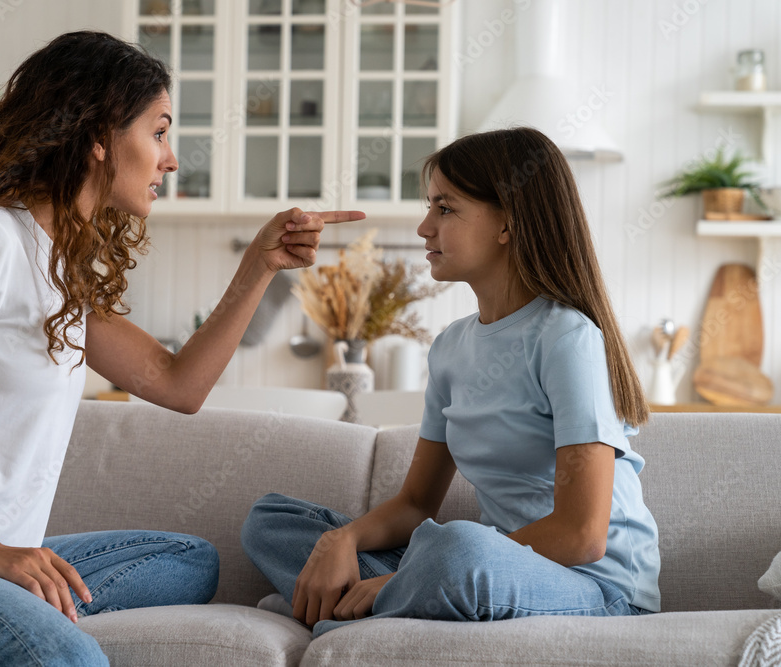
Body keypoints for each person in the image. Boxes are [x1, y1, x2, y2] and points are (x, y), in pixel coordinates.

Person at [0, 31, 363, 666]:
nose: (171, 158)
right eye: (158, 132)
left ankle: (5, 599)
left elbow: (178, 386)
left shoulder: (57, 268)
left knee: (190, 562)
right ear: (99, 137)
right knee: (68, 659)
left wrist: (259, 266)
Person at [242, 127, 660, 637]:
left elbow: (583, 535)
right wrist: (343, 542)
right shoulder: (450, 348)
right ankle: (376, 602)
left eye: (444, 208)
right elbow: (416, 504)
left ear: (507, 222)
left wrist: (404, 573)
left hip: (596, 588)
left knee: (459, 548)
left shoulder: (566, 339)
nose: (424, 227)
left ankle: (347, 613)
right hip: (495, 571)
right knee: (271, 520)